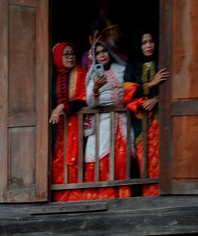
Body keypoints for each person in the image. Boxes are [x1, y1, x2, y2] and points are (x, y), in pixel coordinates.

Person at [82, 40, 133, 198]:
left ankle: (123, 198)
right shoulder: (93, 77)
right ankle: (104, 197)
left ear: (110, 52)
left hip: (121, 122)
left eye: (104, 51)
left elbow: (130, 89)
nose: (101, 55)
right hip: (102, 124)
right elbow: (90, 102)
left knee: (121, 161)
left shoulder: (121, 69)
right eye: (97, 53)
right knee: (101, 161)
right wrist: (96, 89)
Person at [123, 30, 168, 197]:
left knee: (165, 158)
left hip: (164, 120)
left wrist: (157, 100)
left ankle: (167, 194)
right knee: (146, 161)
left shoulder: (163, 61)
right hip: (141, 123)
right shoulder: (132, 65)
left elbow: (176, 88)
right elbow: (128, 93)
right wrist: (152, 83)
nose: (148, 45)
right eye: (144, 42)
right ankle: (150, 196)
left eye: (151, 41)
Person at [49, 42, 87, 202]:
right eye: (66, 54)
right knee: (57, 162)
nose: (71, 57)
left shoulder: (82, 74)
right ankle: (60, 199)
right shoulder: (52, 77)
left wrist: (62, 107)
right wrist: (54, 109)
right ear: (58, 57)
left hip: (75, 125)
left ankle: (75, 199)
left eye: (73, 53)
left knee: (75, 160)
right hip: (56, 128)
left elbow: (85, 98)